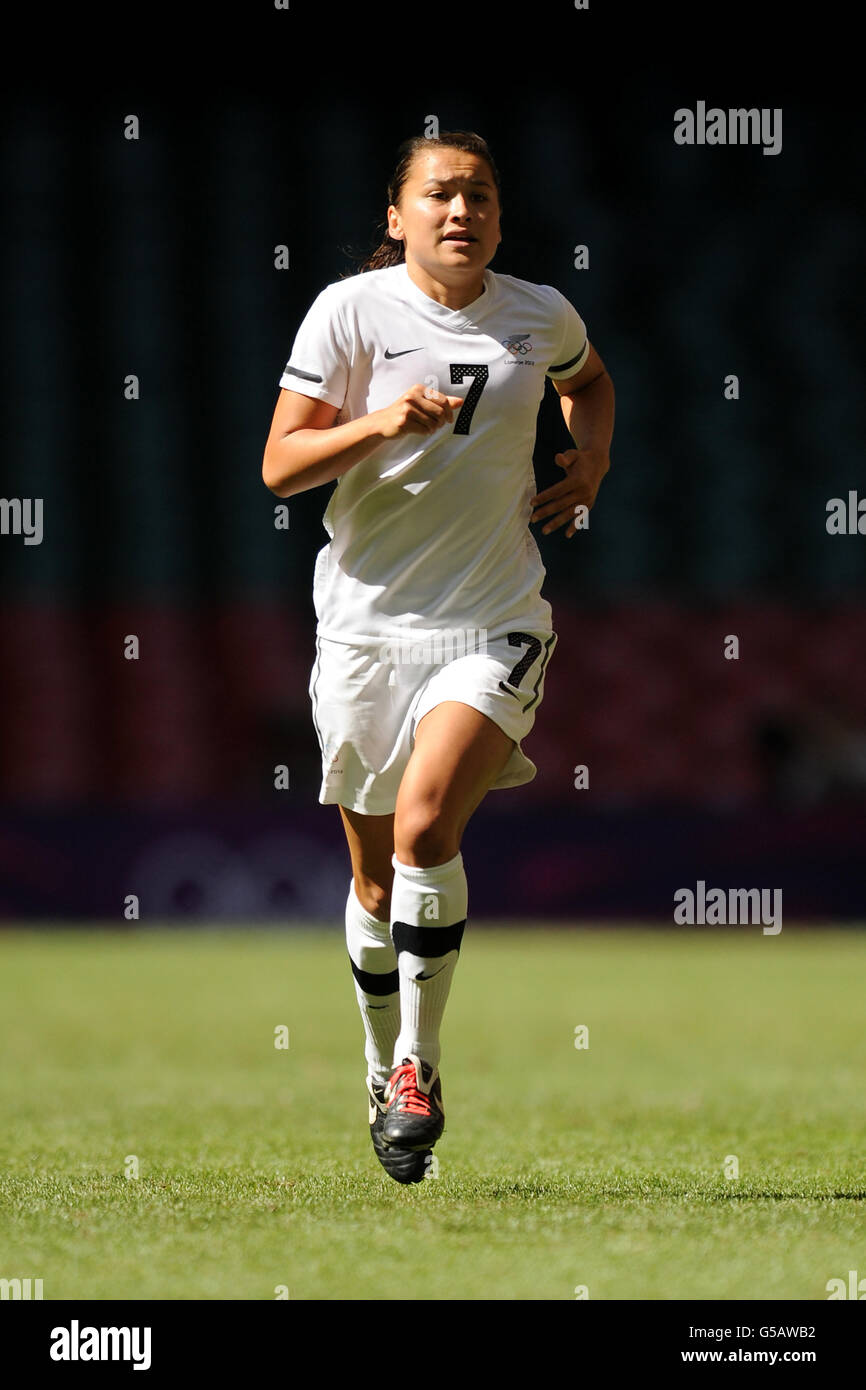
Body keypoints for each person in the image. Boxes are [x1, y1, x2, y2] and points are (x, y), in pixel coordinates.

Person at [262, 131, 614, 1183]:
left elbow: (586, 383)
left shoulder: (538, 313)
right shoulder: (347, 312)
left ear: (497, 219)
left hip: (492, 619)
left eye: (478, 195)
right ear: (396, 216)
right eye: (437, 194)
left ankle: (418, 1062)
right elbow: (281, 467)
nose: (458, 211)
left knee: (424, 826)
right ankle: (378, 1064)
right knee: (373, 881)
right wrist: (378, 423)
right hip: (368, 629)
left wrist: (587, 463)